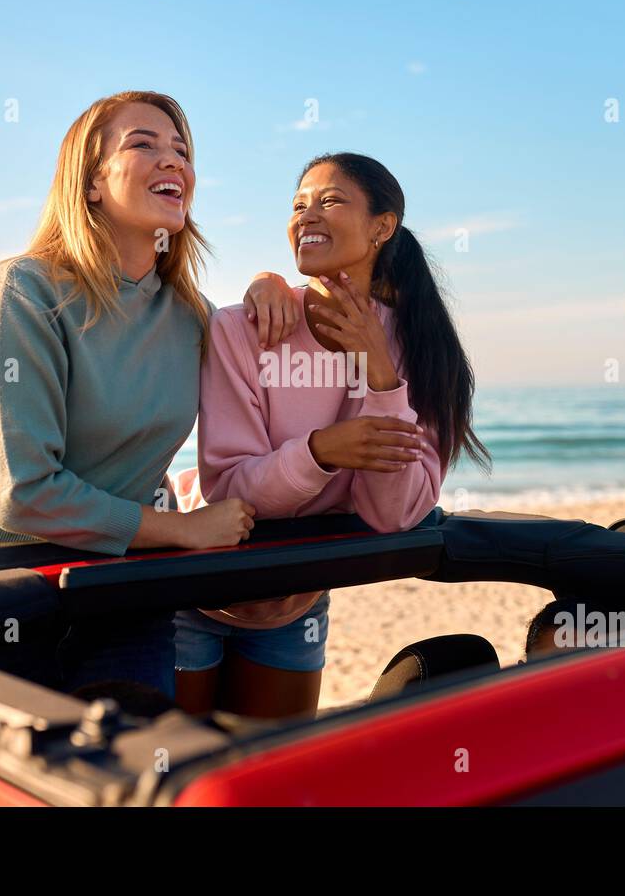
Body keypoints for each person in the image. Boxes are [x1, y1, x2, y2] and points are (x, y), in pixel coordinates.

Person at [0, 90, 298, 698]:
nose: (173, 162)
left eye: (182, 151)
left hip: (121, 588)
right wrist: (181, 529)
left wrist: (272, 284)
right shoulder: (23, 293)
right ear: (92, 183)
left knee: (138, 766)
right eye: (143, 145)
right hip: (4, 586)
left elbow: (273, 405)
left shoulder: (189, 316)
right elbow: (23, 492)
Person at [173, 152, 490, 718]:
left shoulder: (420, 345)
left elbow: (393, 515)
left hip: (298, 601)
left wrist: (382, 377)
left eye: (331, 200)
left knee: (272, 780)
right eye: (298, 204)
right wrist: (322, 452)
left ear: (382, 227)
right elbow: (228, 490)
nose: (307, 215)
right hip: (192, 585)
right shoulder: (241, 328)